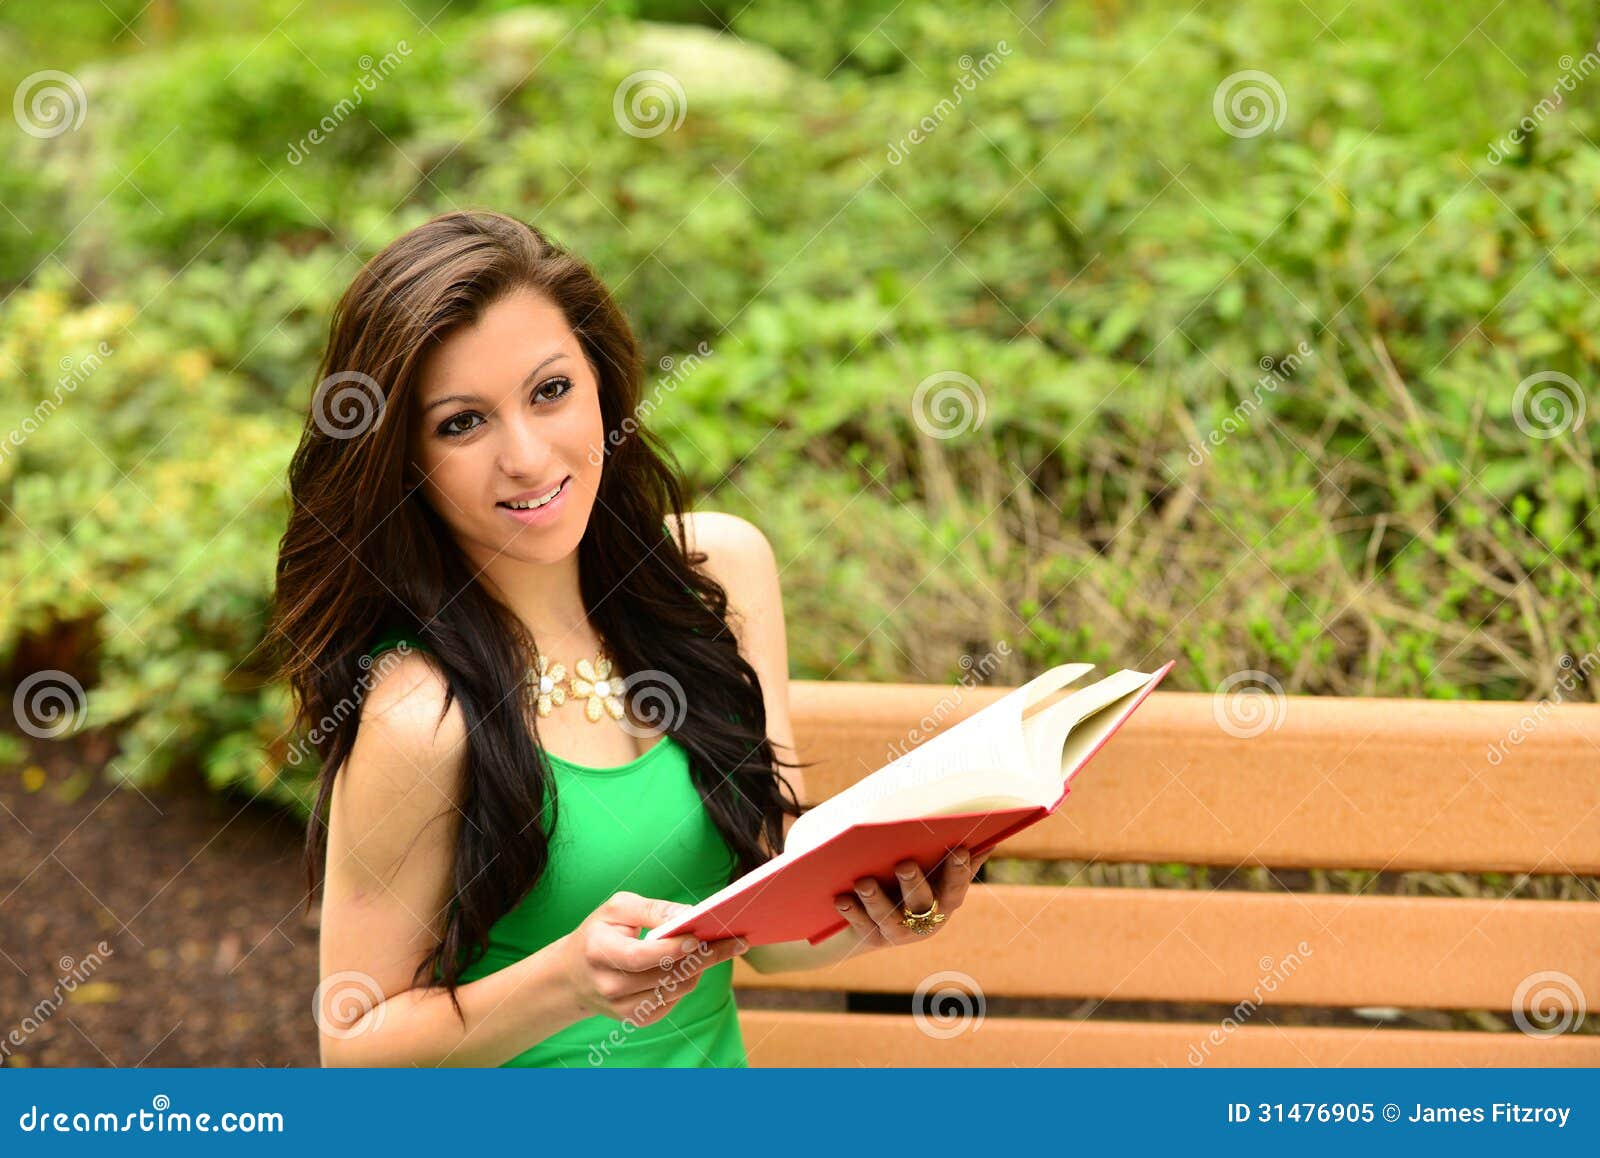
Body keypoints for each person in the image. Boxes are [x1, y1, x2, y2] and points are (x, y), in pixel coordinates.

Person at [268, 208, 991, 1067]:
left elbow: (765, 936)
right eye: (462, 422)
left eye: (550, 391)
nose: (530, 457)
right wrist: (567, 981)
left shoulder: (717, 578)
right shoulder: (421, 715)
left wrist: (881, 911)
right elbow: (352, 1049)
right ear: (404, 459)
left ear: (601, 384)